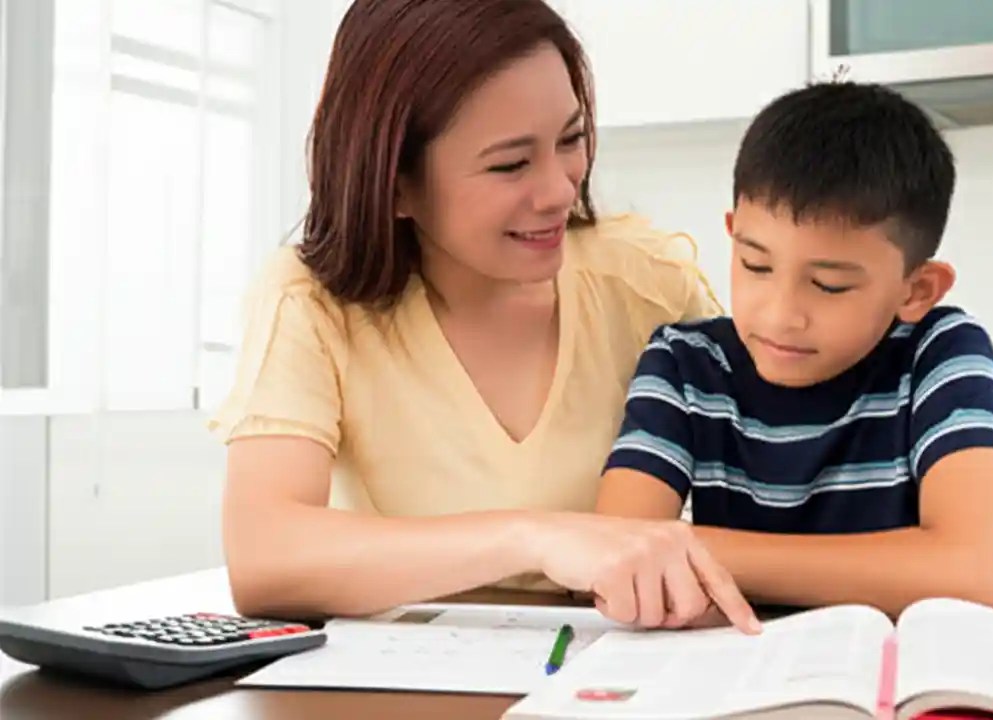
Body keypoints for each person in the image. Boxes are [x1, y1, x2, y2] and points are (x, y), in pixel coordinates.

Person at [208, 0, 759, 634]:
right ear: (395, 184)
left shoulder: (644, 281)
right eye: (510, 164)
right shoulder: (310, 302)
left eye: (571, 139)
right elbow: (264, 558)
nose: (560, 189)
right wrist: (537, 538)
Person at [595, 81, 993, 619]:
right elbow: (617, 557)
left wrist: (692, 550)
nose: (781, 314)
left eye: (828, 285)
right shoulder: (685, 364)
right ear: (733, 236)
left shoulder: (938, 353)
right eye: (756, 266)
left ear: (916, 290)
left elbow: (973, 573)